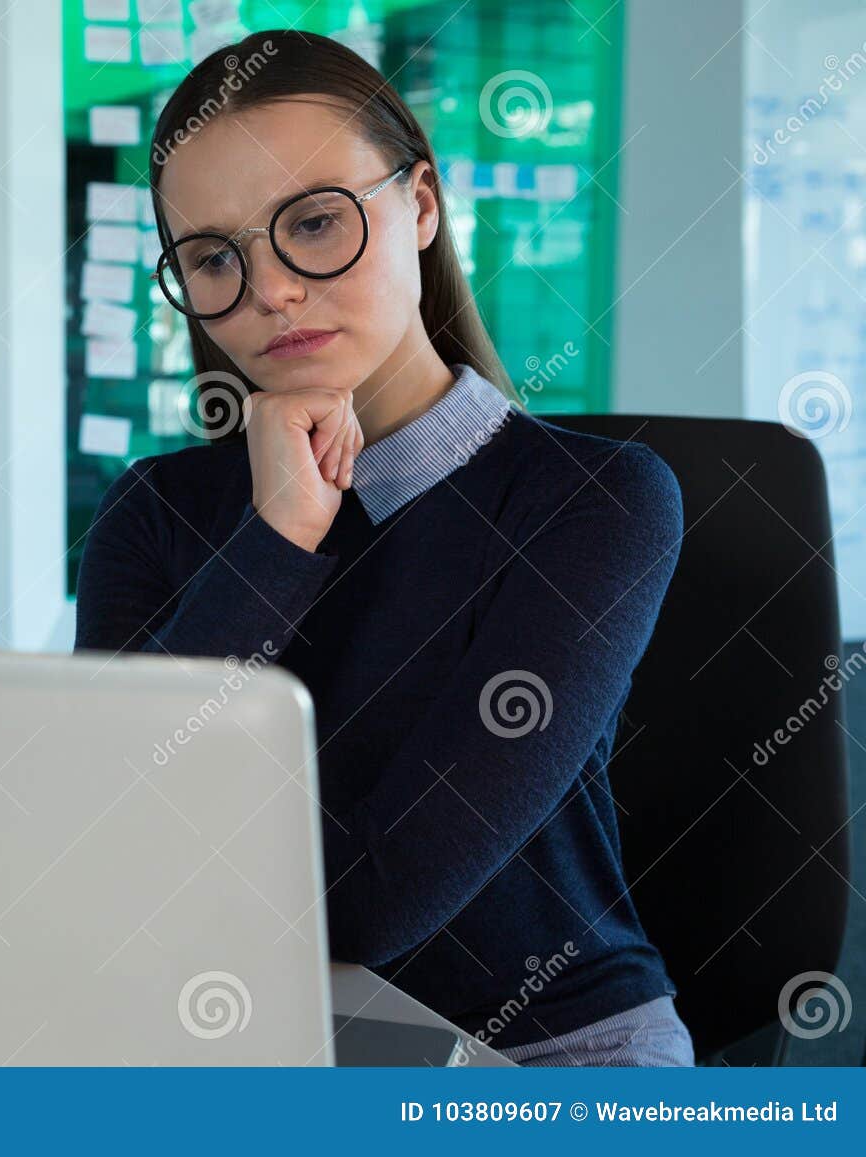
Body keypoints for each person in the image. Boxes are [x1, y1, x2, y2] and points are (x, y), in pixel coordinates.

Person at [73, 31, 693, 1067]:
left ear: (420, 205)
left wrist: (164, 862)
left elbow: (374, 905)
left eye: (314, 222)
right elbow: (107, 845)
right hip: (228, 1038)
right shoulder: (156, 512)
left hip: (546, 1051)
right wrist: (272, 538)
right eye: (214, 257)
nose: (269, 290)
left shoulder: (594, 502)